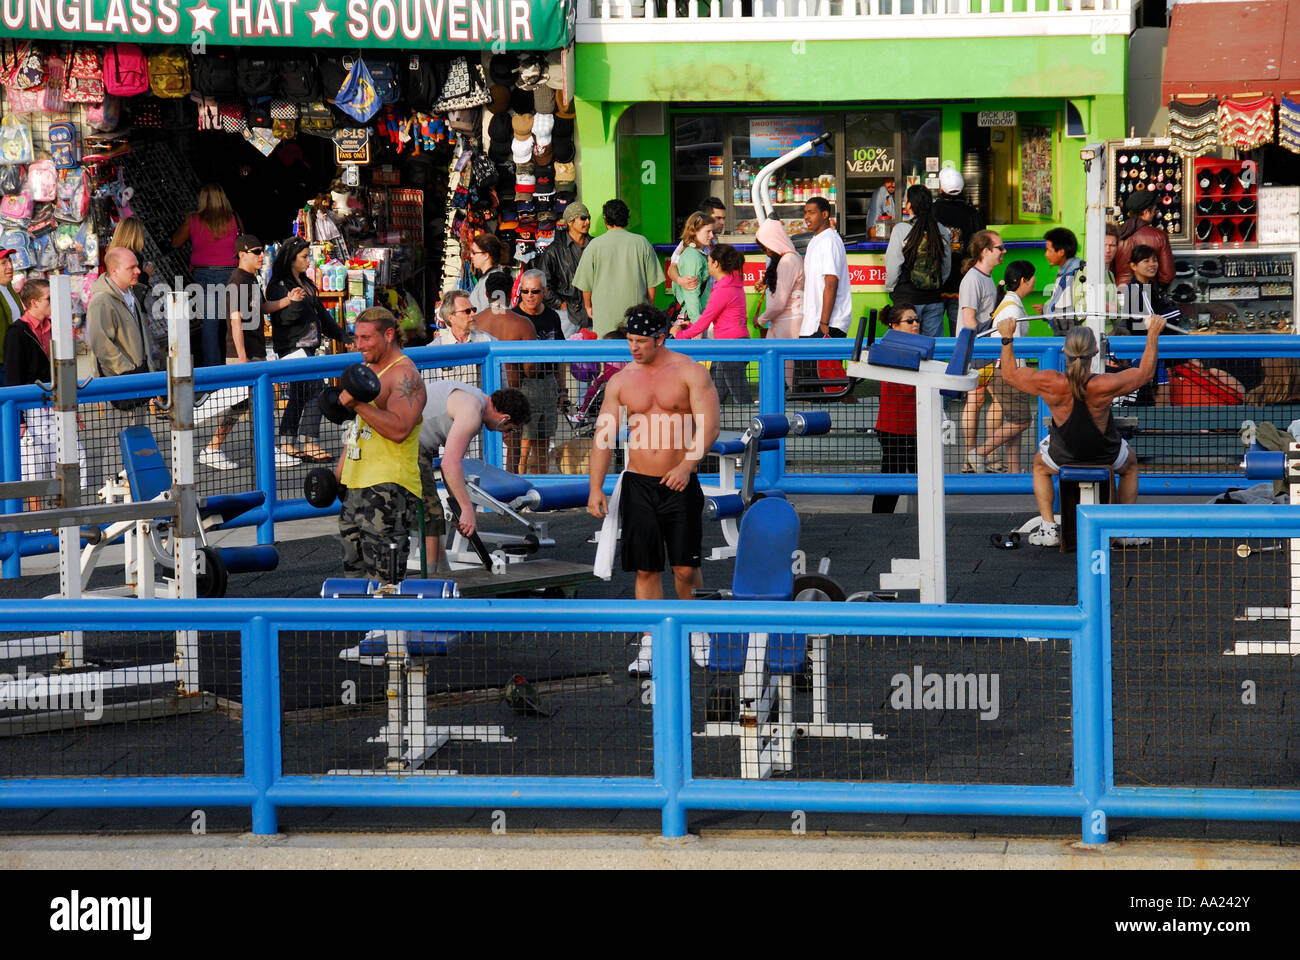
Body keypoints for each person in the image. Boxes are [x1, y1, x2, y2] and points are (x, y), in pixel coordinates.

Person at [588, 305, 720, 676]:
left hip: (679, 481)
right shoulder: (621, 381)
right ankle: (650, 643)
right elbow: (603, 436)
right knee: (645, 569)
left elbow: (708, 426)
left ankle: (697, 633)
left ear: (661, 338)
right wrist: (595, 486)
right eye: (630, 340)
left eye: (641, 341)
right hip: (638, 483)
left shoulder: (689, 372)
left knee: (684, 566)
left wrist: (686, 465)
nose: (634, 348)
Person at [997, 313, 1167, 547]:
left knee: (1039, 465)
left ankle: (1048, 528)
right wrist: (1153, 333)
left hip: (1063, 457)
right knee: (1130, 465)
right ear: (1095, 352)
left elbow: (1009, 375)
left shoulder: (1050, 382)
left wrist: (1007, 338)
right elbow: (1145, 373)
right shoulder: (1104, 384)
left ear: (1064, 352)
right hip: (1104, 456)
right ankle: (1122, 529)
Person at [333, 307, 426, 584]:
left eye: (365, 338)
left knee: (385, 581)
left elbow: (399, 430)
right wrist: (338, 476)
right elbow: (357, 430)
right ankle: (365, 629)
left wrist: (358, 405)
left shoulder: (404, 376)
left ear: (388, 334)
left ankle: (389, 629)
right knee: (354, 578)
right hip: (356, 487)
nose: (358, 345)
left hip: (388, 489)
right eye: (356, 338)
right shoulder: (370, 371)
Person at [200, 235, 303, 471]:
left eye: (262, 251)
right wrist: (243, 358)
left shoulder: (250, 279)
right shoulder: (237, 281)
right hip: (243, 354)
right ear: (242, 254)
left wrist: (287, 300)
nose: (261, 255)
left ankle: (219, 448)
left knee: (247, 404)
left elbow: (263, 307)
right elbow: (235, 322)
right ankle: (220, 448)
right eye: (256, 251)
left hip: (251, 351)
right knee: (249, 403)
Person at [417, 379, 530, 567]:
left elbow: (449, 468)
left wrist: (460, 508)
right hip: (405, 446)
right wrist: (467, 509)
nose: (507, 434)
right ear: (505, 418)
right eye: (510, 429)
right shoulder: (472, 412)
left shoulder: (476, 397)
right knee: (431, 517)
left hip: (414, 445)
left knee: (433, 517)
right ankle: (432, 583)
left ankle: (441, 573)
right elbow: (450, 464)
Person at [86, 247, 164, 490]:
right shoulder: (102, 301)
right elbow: (101, 343)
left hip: (135, 381)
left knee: (134, 436)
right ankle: (111, 491)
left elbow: (141, 339)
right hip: (121, 384)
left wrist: (146, 374)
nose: (138, 271)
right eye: (132, 267)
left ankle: (133, 489)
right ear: (114, 270)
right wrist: (127, 374)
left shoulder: (128, 295)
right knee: (118, 439)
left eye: (137, 266)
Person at [267, 236, 349, 466]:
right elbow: (283, 320)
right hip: (292, 349)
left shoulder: (306, 283)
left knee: (300, 395)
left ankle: (286, 441)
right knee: (316, 392)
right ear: (291, 259)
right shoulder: (278, 287)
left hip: (308, 348)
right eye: (304, 257)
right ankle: (309, 442)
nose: (308, 261)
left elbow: (322, 315)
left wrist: (343, 336)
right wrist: (292, 302)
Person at [3, 279, 86, 507]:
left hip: (55, 405)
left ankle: (61, 519)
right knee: (34, 467)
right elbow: (13, 379)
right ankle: (37, 522)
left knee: (68, 460)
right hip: (32, 410)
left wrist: (73, 407)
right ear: (34, 302)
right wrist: (19, 419)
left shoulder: (54, 328)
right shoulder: (16, 334)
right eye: (49, 299)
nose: (54, 303)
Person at [966, 261, 1036, 475]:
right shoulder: (1013, 307)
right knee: (1023, 420)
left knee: (1015, 419)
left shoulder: (1009, 302)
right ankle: (979, 452)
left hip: (1002, 370)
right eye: (1032, 278)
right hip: (1007, 372)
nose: (1035, 282)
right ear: (1024, 280)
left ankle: (1014, 470)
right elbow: (1009, 346)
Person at [672, 243, 752, 405]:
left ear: (716, 264)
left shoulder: (723, 289)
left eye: (708, 261)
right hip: (734, 343)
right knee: (715, 396)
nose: (707, 265)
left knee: (741, 399)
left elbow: (704, 321)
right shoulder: (734, 281)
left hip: (729, 347)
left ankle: (756, 428)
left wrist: (680, 335)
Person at [172, 183, 242, 370]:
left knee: (210, 324)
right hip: (231, 272)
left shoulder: (193, 220)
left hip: (203, 274)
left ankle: (213, 371)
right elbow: (243, 243)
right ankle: (235, 367)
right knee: (233, 322)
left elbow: (176, 242)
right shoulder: (234, 218)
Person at [571, 199, 664, 335]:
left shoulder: (594, 246)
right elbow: (652, 283)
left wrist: (588, 306)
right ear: (627, 217)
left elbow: (586, 285)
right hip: (636, 315)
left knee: (607, 353)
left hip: (604, 316)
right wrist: (648, 306)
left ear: (605, 218)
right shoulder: (642, 243)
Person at [958, 230, 1005, 470]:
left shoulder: (983, 278)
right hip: (978, 348)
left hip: (982, 347)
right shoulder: (973, 280)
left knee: (983, 400)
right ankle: (979, 456)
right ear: (985, 251)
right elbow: (969, 320)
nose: (1003, 252)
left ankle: (978, 456)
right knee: (985, 400)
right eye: (1000, 248)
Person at [512, 269, 568, 474]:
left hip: (548, 384)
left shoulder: (552, 316)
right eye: (524, 291)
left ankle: (539, 493)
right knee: (524, 444)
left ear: (544, 292)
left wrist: (562, 390)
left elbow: (560, 358)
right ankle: (520, 489)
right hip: (524, 386)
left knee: (543, 443)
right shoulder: (514, 317)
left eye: (534, 291)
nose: (529, 296)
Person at [884, 184, 952, 338]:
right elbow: (946, 266)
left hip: (907, 299)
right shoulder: (941, 229)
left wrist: (891, 287)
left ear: (909, 205)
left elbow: (893, 264)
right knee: (933, 350)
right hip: (934, 298)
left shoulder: (901, 229)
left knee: (908, 347)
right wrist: (936, 284)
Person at [871, 303, 919, 515]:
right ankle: (880, 520)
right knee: (892, 479)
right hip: (896, 428)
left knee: (903, 477)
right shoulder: (890, 349)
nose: (915, 324)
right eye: (910, 321)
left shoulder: (912, 347)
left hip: (909, 425)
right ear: (895, 325)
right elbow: (906, 386)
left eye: (917, 320)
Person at [933, 169, 985, 336]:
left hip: (936, 284)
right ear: (962, 189)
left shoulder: (931, 212)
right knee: (961, 336)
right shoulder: (972, 214)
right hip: (964, 284)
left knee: (934, 339)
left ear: (941, 188)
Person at [753, 218, 804, 388]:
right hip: (786, 322)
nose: (766, 252)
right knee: (782, 370)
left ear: (773, 242)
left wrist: (760, 319)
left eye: (766, 247)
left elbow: (779, 302)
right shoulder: (791, 258)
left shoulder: (787, 261)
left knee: (785, 373)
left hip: (786, 324)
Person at [535, 200, 592, 335]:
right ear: (570, 222)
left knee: (595, 354)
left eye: (589, 218)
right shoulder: (554, 251)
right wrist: (561, 305)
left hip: (593, 314)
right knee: (566, 354)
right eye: (583, 218)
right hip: (567, 315)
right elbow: (543, 283)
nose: (588, 222)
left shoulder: (596, 245)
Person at [799, 196, 852, 338]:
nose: (806, 217)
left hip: (828, 324)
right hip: (812, 324)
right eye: (805, 212)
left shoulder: (829, 240)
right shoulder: (815, 240)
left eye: (811, 212)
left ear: (824, 214)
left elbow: (831, 282)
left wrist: (824, 323)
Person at [431, 288, 496, 387]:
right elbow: (431, 389)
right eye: (467, 311)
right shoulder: (435, 348)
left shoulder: (487, 340)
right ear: (451, 318)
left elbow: (500, 382)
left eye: (473, 309)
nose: (473, 314)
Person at [665, 197, 726, 298]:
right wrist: (680, 280)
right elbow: (672, 268)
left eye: (724, 218)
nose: (722, 223)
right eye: (718, 218)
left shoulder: (714, 241)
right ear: (706, 218)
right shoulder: (688, 243)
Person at [1114, 189, 1175, 289]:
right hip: (1146, 290)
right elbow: (1167, 276)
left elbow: (1108, 268)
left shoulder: (1117, 234)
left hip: (1120, 289)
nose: (1155, 213)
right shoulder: (1159, 236)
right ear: (1146, 211)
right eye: (1154, 210)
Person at [671, 212, 714, 327]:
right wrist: (697, 323)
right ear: (694, 231)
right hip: (696, 317)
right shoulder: (693, 256)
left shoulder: (697, 251)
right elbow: (692, 293)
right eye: (708, 232)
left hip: (698, 315)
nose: (712, 235)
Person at [1042, 227, 1084, 322]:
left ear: (1061, 252)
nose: (1046, 254)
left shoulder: (1074, 273)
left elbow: (1067, 309)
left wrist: (1046, 311)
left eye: (1049, 250)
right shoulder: (1065, 271)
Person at [467, 232, 512, 316]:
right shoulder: (486, 278)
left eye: (474, 252)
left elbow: (498, 314)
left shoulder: (496, 281)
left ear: (486, 255)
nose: (471, 256)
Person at [0, 248, 21, 387]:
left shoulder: (9, 288)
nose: (10, 266)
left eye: (10, 261)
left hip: (13, 360)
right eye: (3, 263)